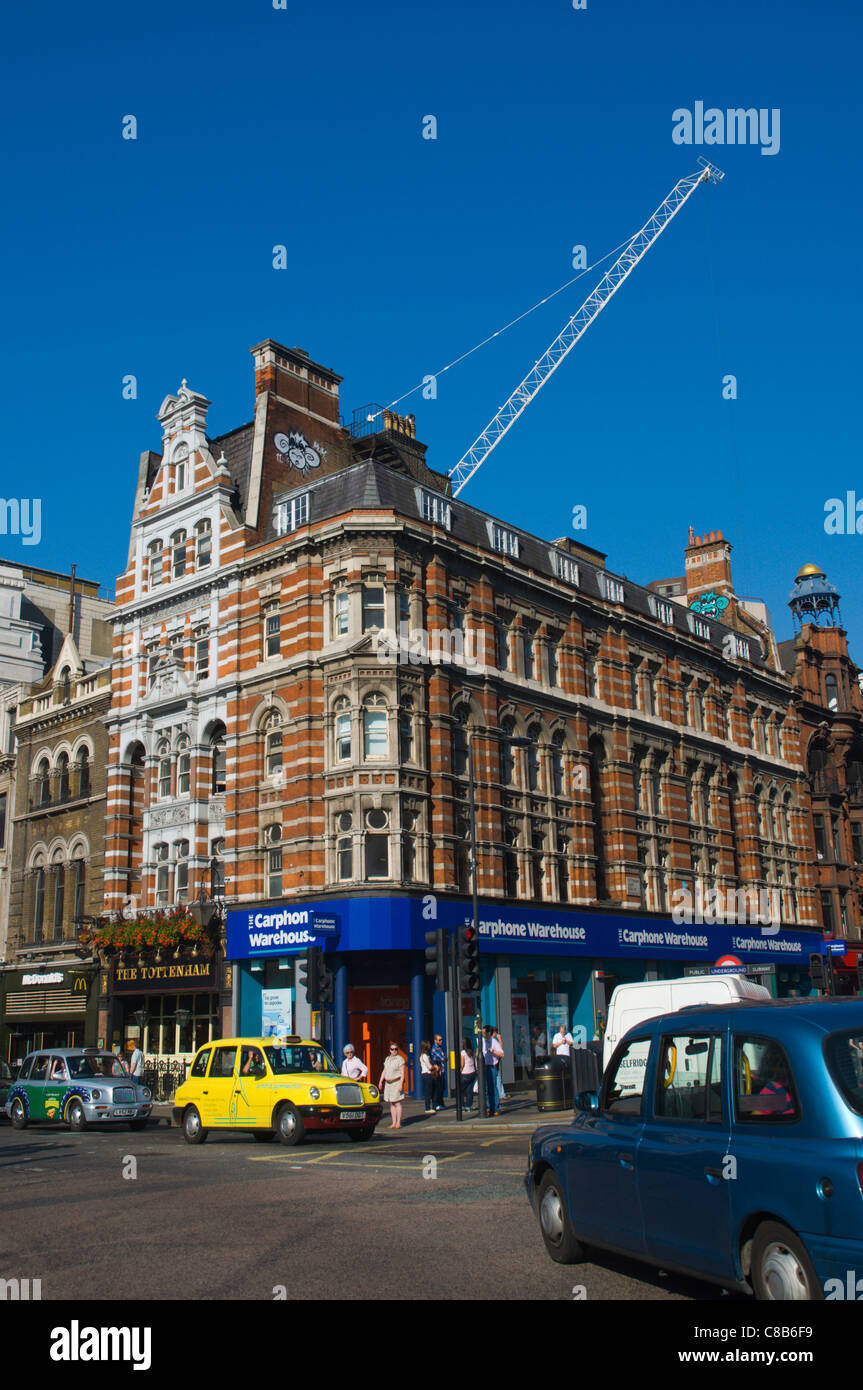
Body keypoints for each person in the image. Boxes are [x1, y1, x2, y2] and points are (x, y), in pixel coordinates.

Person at [378, 1042, 406, 1130]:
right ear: (389, 1050)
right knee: (391, 1102)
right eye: (392, 1049)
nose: (394, 1051)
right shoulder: (387, 1059)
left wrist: (401, 1084)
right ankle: (393, 1122)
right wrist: (380, 1081)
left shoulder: (400, 1059)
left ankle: (398, 1122)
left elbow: (402, 1073)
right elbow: (384, 1070)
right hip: (388, 1083)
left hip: (396, 1082)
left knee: (397, 1102)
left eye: (395, 1049)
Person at [482, 1025, 503, 1116]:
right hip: (485, 1066)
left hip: (492, 1067)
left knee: (493, 1087)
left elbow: (502, 1054)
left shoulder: (493, 1042)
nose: (483, 1034)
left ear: (489, 1033)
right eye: (482, 1033)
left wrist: (493, 1051)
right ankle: (490, 1108)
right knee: (487, 1088)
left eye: (484, 1033)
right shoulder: (482, 1041)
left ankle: (495, 1108)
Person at [430, 1033, 446, 1110]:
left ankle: (440, 1103)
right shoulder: (435, 1049)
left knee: (441, 1087)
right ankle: (436, 1104)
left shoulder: (440, 1048)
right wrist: (444, 1058)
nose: (441, 1041)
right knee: (437, 1088)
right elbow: (442, 1058)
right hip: (437, 1072)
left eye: (441, 1039)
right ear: (435, 1040)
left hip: (442, 1071)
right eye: (439, 1040)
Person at [460, 1038, 477, 1113]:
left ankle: (462, 1106)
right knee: (469, 1091)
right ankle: (468, 1106)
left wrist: (460, 1070)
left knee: (460, 1090)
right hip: (472, 1072)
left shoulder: (463, 1052)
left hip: (465, 1073)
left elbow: (462, 1064)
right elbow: (475, 1063)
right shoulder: (472, 1052)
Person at [493, 1027, 508, 1106]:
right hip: (494, 1063)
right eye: (496, 1033)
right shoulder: (494, 1041)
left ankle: (501, 1094)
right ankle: (501, 1094)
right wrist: (499, 1039)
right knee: (497, 1078)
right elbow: (501, 1050)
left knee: (497, 1078)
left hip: (495, 1063)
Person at [419, 1040, 434, 1113]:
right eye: (428, 1045)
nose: (430, 1046)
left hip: (426, 1074)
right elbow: (429, 1066)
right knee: (428, 1091)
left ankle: (429, 1107)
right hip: (427, 1074)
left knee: (428, 1091)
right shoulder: (424, 1056)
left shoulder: (424, 1055)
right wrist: (435, 1067)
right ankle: (427, 1108)